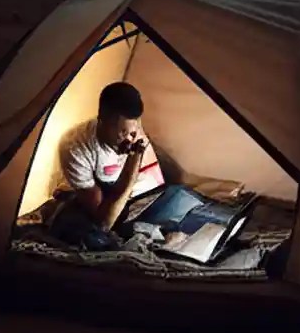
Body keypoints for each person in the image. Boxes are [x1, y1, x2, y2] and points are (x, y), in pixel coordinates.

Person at [50, 81, 238, 249]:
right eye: (123, 133)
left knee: (191, 203)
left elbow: (155, 178)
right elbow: (105, 220)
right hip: (114, 206)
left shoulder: (133, 133)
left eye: (134, 131)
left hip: (145, 199)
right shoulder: (76, 147)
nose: (131, 139)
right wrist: (134, 160)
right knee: (86, 232)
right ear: (103, 121)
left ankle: (234, 225)